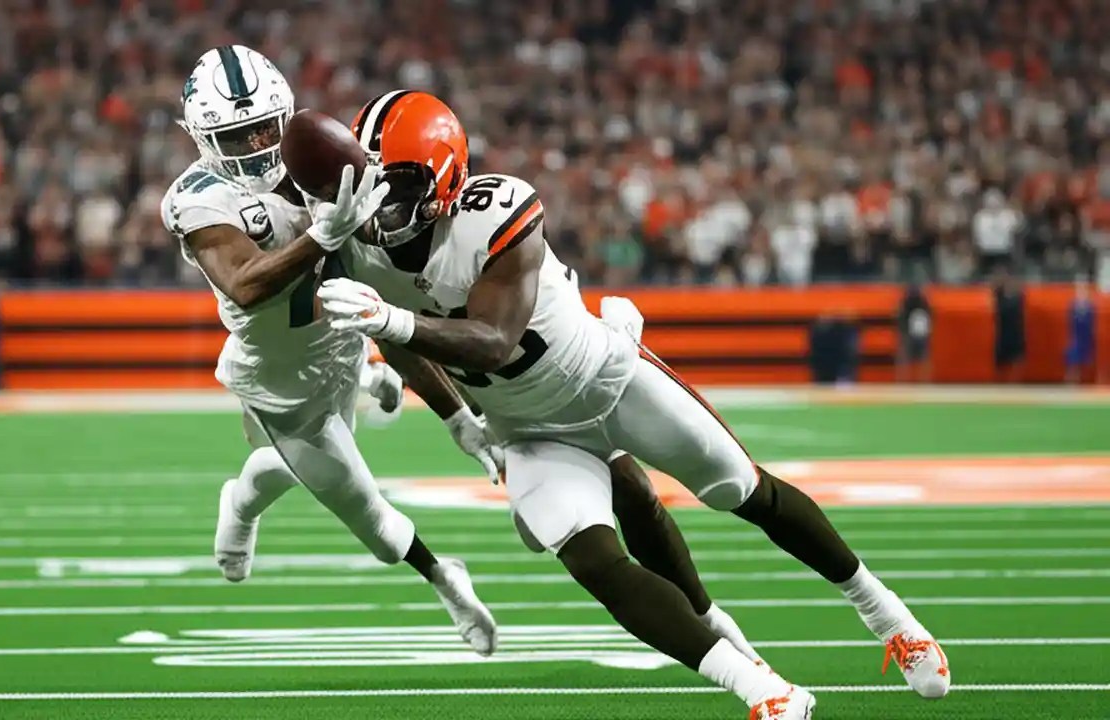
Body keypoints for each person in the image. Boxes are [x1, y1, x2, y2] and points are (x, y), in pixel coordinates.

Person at [323, 92, 950, 718]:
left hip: (607, 379)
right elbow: (392, 335)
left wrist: (393, 320)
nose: (385, 198)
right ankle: (760, 688)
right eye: (375, 178)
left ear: (449, 178)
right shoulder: (354, 247)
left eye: (401, 180)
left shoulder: (496, 211)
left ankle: (887, 615)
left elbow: (492, 341)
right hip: (530, 428)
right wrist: (460, 417)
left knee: (744, 490)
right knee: (596, 563)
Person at [159, 48, 499, 655]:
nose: (259, 144)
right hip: (279, 373)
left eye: (266, 126)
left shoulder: (325, 166)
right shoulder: (201, 197)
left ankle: (239, 500)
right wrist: (322, 235)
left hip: (341, 342)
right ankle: (446, 577)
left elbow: (387, 313)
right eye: (238, 135)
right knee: (364, 508)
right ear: (202, 139)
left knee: (303, 461)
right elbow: (246, 281)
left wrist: (457, 419)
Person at [1065, 278, 1095, 384]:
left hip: (1085, 338)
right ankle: (1071, 382)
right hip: (1075, 338)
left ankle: (1079, 382)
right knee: (1072, 362)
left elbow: (1091, 324)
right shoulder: (1073, 306)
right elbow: (1070, 323)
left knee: (1083, 362)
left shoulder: (1090, 306)